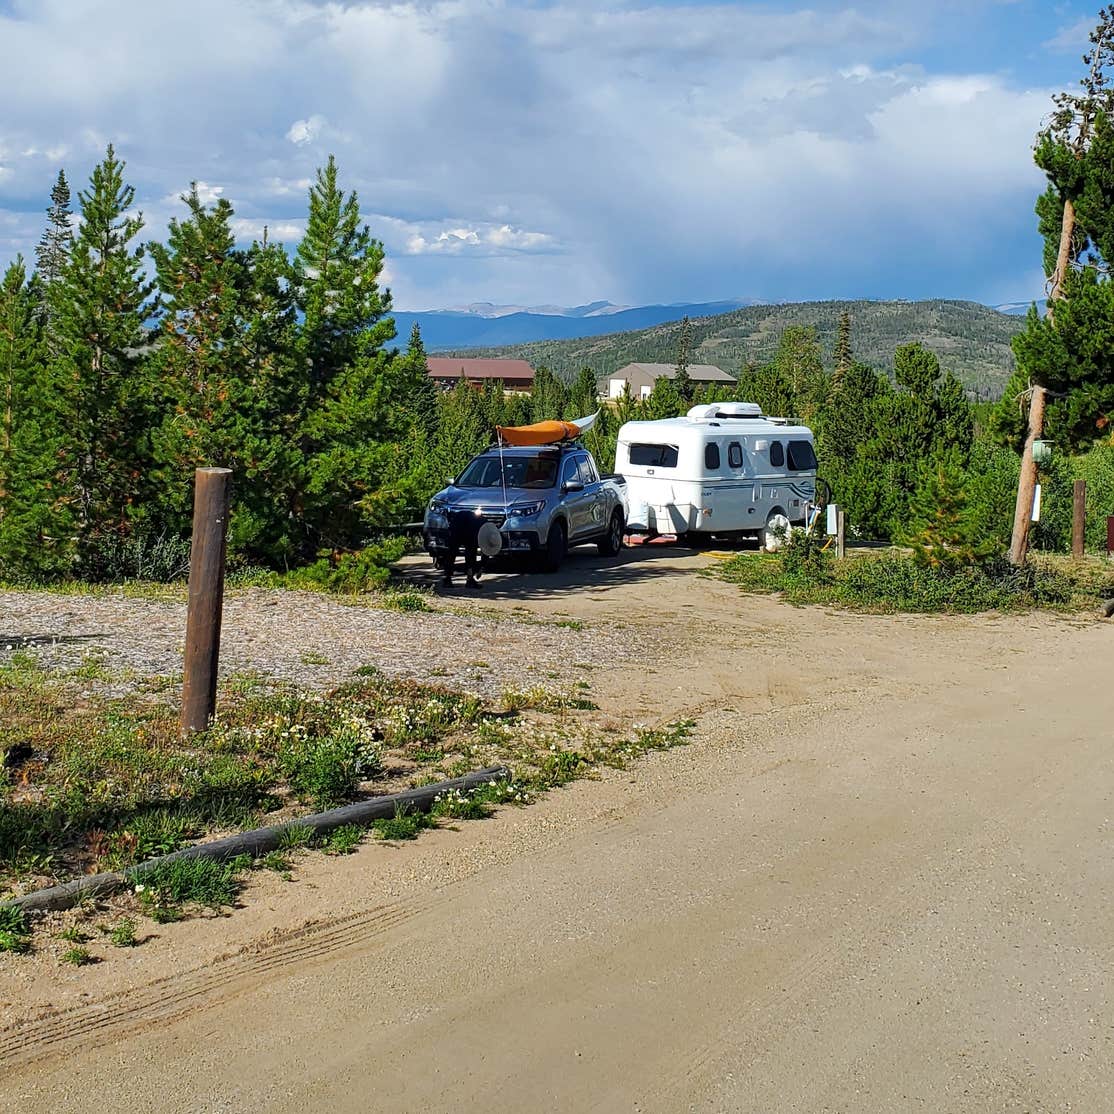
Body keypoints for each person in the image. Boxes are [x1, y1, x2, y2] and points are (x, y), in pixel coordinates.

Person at [444, 508, 484, 588]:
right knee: (469, 553)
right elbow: (485, 552)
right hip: (462, 526)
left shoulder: (483, 526)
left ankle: (447, 579)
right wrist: (480, 568)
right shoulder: (484, 531)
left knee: (452, 552)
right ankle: (469, 580)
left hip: (459, 523)